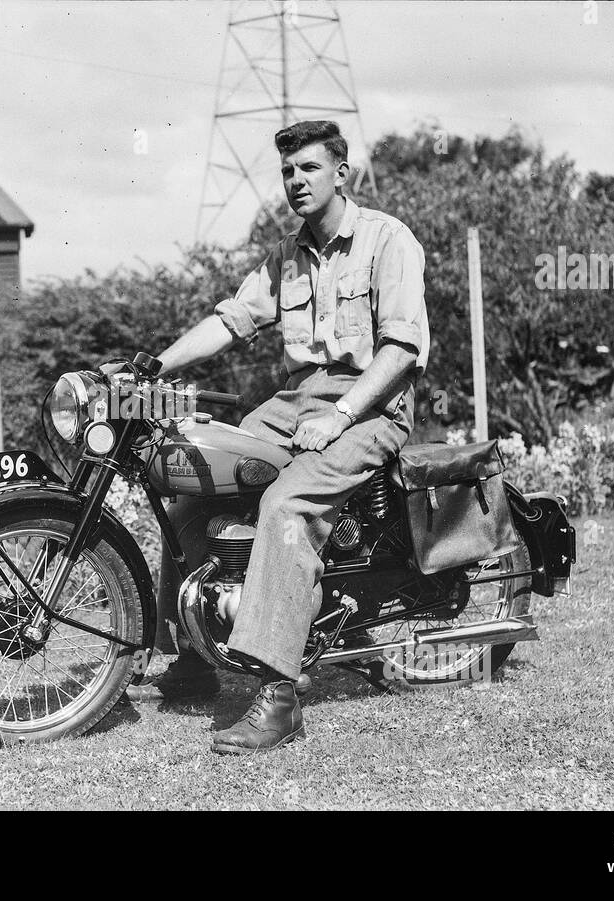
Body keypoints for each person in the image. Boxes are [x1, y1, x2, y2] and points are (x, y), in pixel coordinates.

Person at [113, 119, 430, 754]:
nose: (295, 182)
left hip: (370, 405)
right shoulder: (285, 256)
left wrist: (341, 415)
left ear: (341, 172)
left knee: (286, 505)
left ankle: (279, 695)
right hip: (291, 404)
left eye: (308, 169)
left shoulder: (388, 241)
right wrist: (154, 366)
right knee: (194, 490)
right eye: (287, 172)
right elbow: (232, 320)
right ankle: (195, 658)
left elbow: (401, 350)